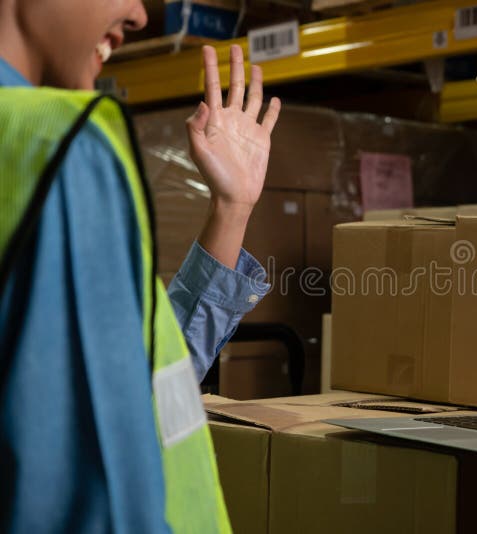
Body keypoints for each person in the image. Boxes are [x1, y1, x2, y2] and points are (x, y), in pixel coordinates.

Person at [0, 1, 280, 531]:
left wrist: (231, 210)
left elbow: (140, 377)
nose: (138, 15)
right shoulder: (54, 148)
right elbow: (100, 463)